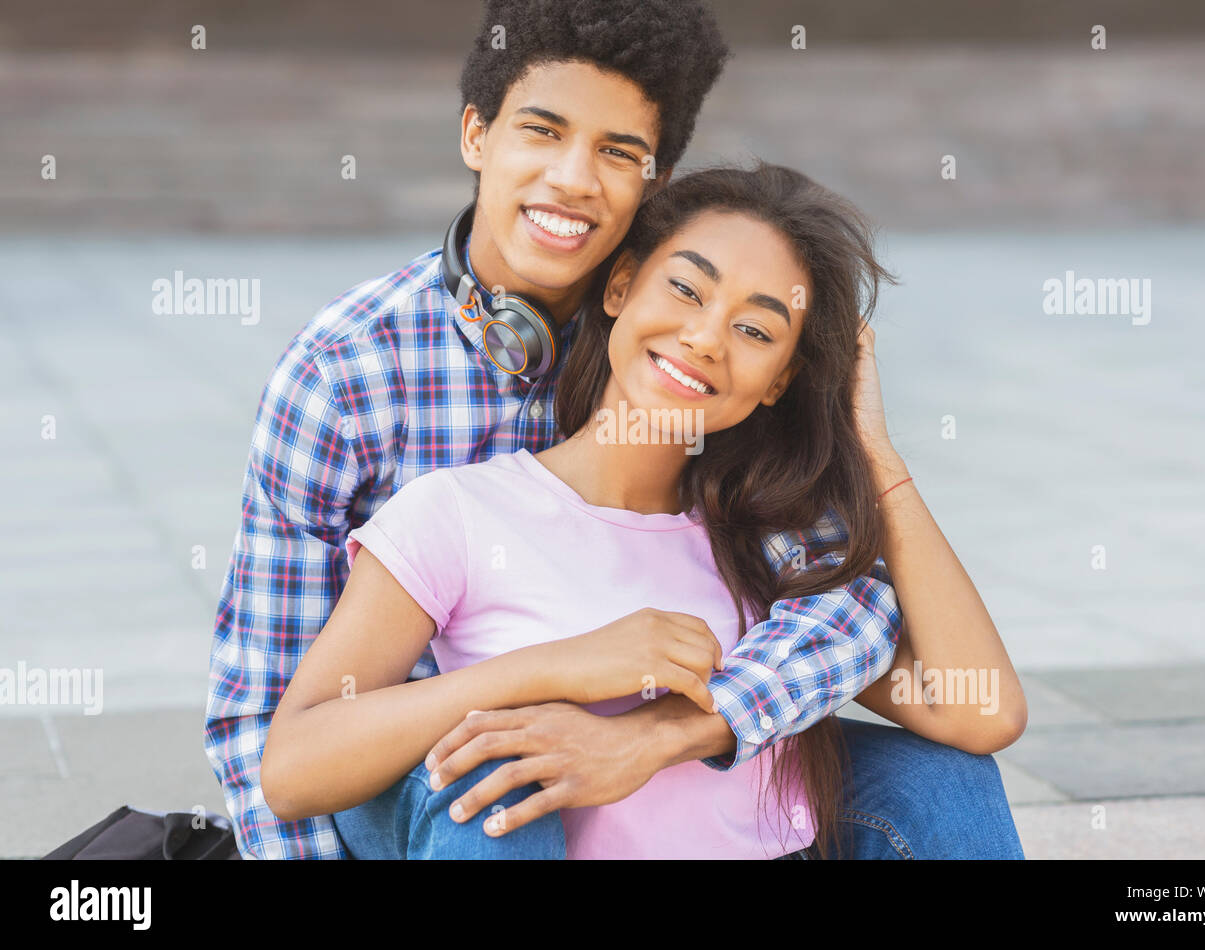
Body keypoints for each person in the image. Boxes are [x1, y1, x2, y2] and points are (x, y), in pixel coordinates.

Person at [206, 0, 1026, 860]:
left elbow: (862, 616)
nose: (571, 179)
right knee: (493, 785)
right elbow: (268, 730)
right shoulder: (350, 377)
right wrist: (556, 671)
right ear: (476, 135)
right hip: (429, 770)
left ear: (655, 182)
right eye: (542, 132)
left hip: (687, 780)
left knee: (939, 776)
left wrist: (678, 725)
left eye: (617, 152)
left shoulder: (717, 430)